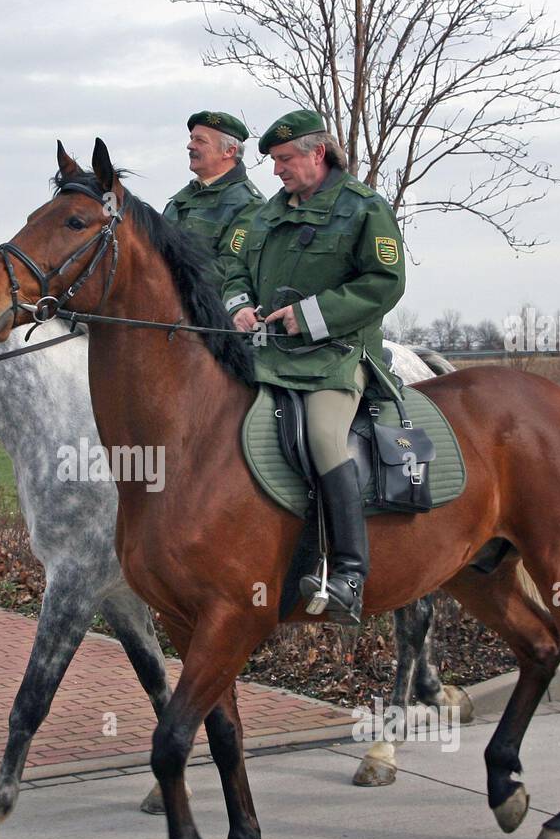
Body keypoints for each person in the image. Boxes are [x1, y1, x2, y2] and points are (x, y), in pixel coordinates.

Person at [222, 109, 406, 625]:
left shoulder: (364, 208)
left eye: (284, 160)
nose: (277, 171)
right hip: (264, 356)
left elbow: (384, 282)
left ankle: (348, 572)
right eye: (274, 162)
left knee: (325, 436)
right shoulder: (265, 215)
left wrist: (308, 317)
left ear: (317, 153)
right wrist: (238, 302)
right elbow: (234, 267)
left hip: (337, 357)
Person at [162, 111, 264, 288]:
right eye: (192, 138)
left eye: (200, 141)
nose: (190, 146)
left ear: (229, 151)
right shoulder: (180, 200)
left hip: (205, 310)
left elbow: (229, 268)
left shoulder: (248, 205)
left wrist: (164, 278)